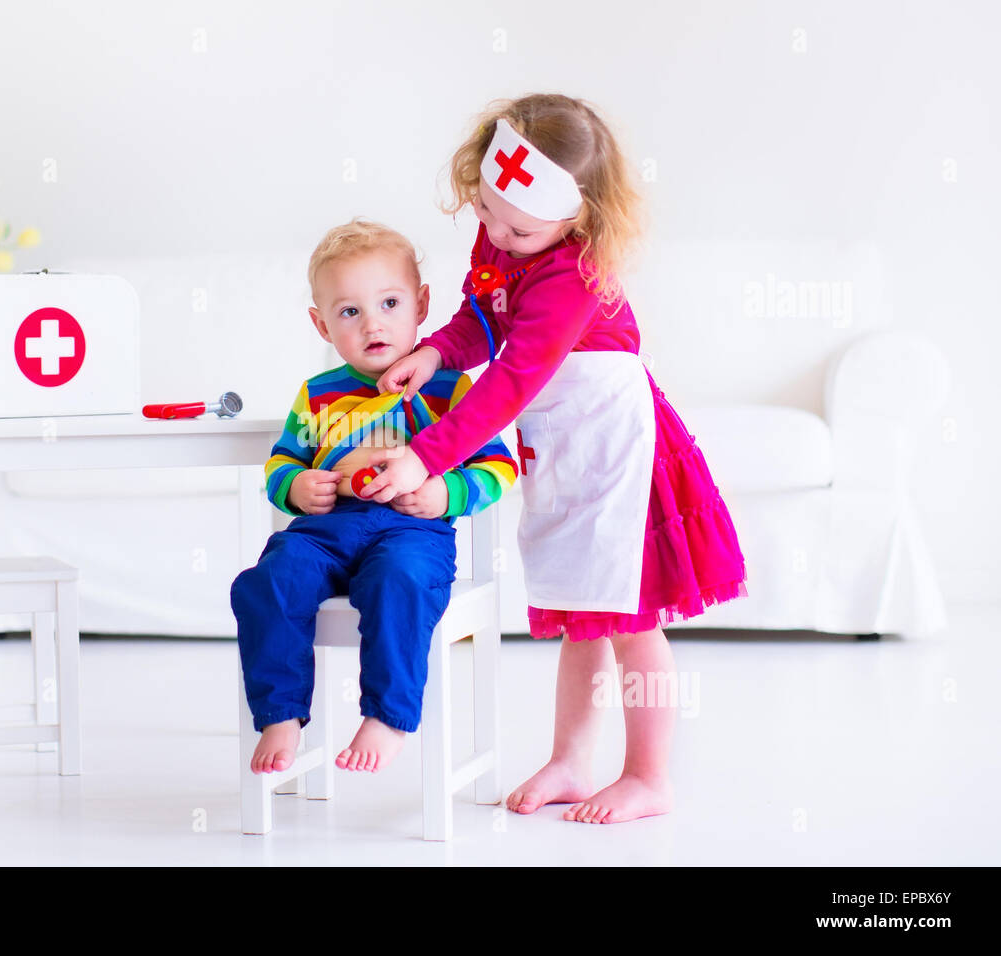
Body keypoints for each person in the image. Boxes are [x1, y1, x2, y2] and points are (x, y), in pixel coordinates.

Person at [364, 94, 748, 824]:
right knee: (581, 614)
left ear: (576, 217)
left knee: (632, 624)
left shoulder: (573, 274)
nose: (498, 238)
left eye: (519, 229)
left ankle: (649, 775)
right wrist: (436, 351)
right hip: (565, 441)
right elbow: (485, 316)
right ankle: (571, 762)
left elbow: (512, 380)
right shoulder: (508, 237)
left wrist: (427, 458)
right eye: (486, 214)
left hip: (617, 448)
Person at [230, 218, 516, 776]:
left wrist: (446, 492)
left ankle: (388, 717)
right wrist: (295, 486)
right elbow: (283, 461)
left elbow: (498, 467)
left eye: (389, 303)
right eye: (349, 312)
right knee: (271, 577)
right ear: (321, 324)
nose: (372, 324)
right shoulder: (319, 396)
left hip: (411, 531)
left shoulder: (450, 388)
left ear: (422, 303)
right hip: (327, 533)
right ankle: (282, 713)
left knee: (400, 581)